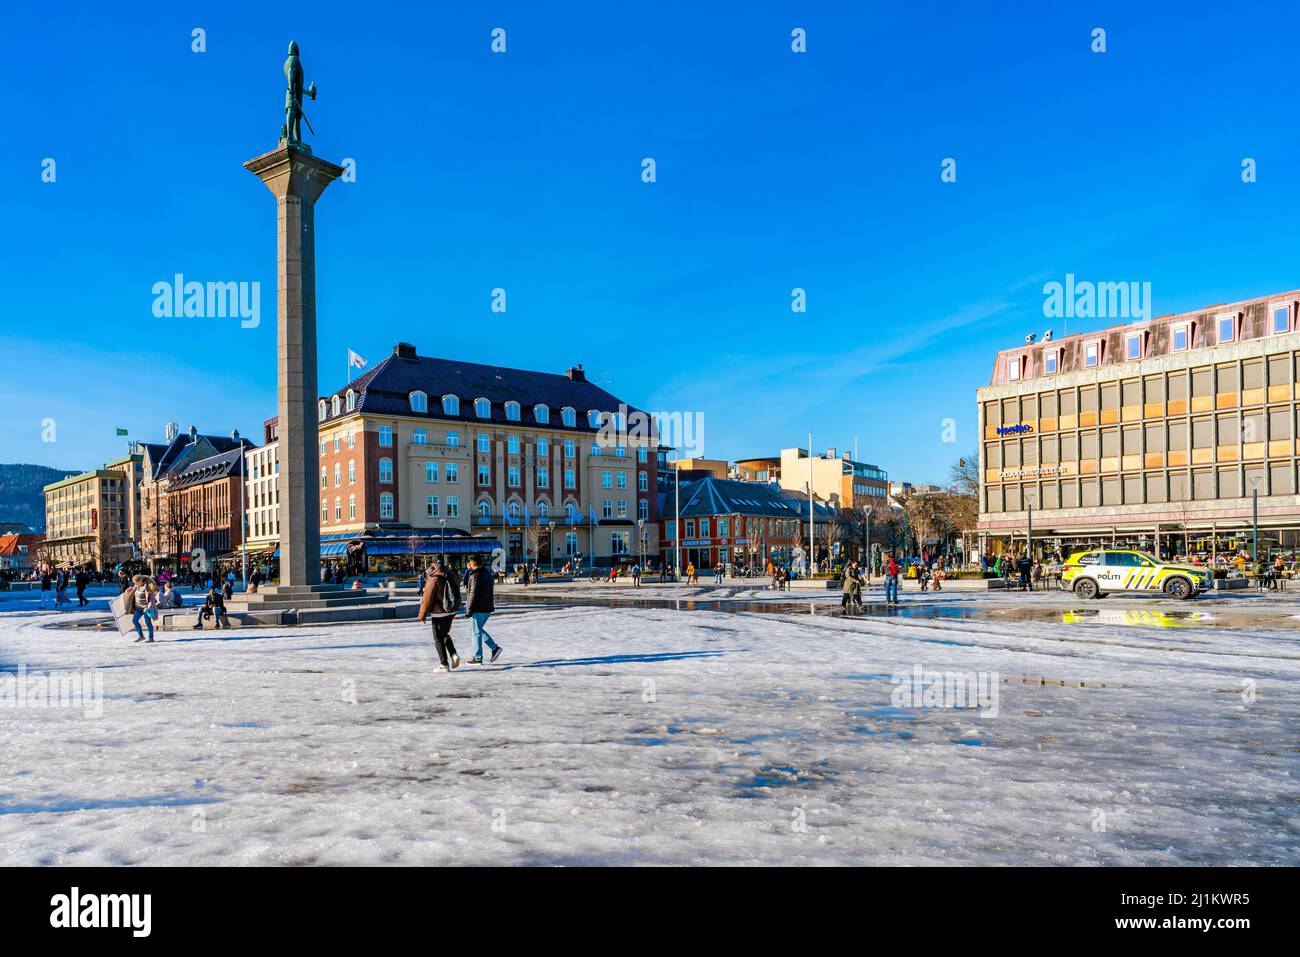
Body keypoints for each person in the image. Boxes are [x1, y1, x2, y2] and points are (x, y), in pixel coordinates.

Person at [418, 560, 462, 672]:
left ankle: (444, 664)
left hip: (438, 613)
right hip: (451, 611)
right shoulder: (451, 574)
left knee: (438, 638)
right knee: (445, 634)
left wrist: (422, 615)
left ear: (433, 564)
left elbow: (427, 599)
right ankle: (453, 654)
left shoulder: (434, 579)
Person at [463, 555, 503, 664]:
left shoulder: (475, 575)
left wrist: (469, 610)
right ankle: (494, 648)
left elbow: (473, 594)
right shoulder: (487, 574)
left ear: (472, 563)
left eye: (469, 562)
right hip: (487, 608)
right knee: (477, 630)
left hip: (478, 608)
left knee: (476, 633)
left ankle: (478, 657)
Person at [123, 574, 157, 643]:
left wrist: (149, 606)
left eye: (135, 582)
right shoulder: (136, 586)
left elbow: (152, 598)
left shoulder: (147, 587)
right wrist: (128, 590)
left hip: (145, 608)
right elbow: (132, 591)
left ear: (140, 581)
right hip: (138, 608)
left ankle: (151, 638)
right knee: (134, 621)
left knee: (148, 623)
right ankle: (141, 636)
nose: (134, 584)